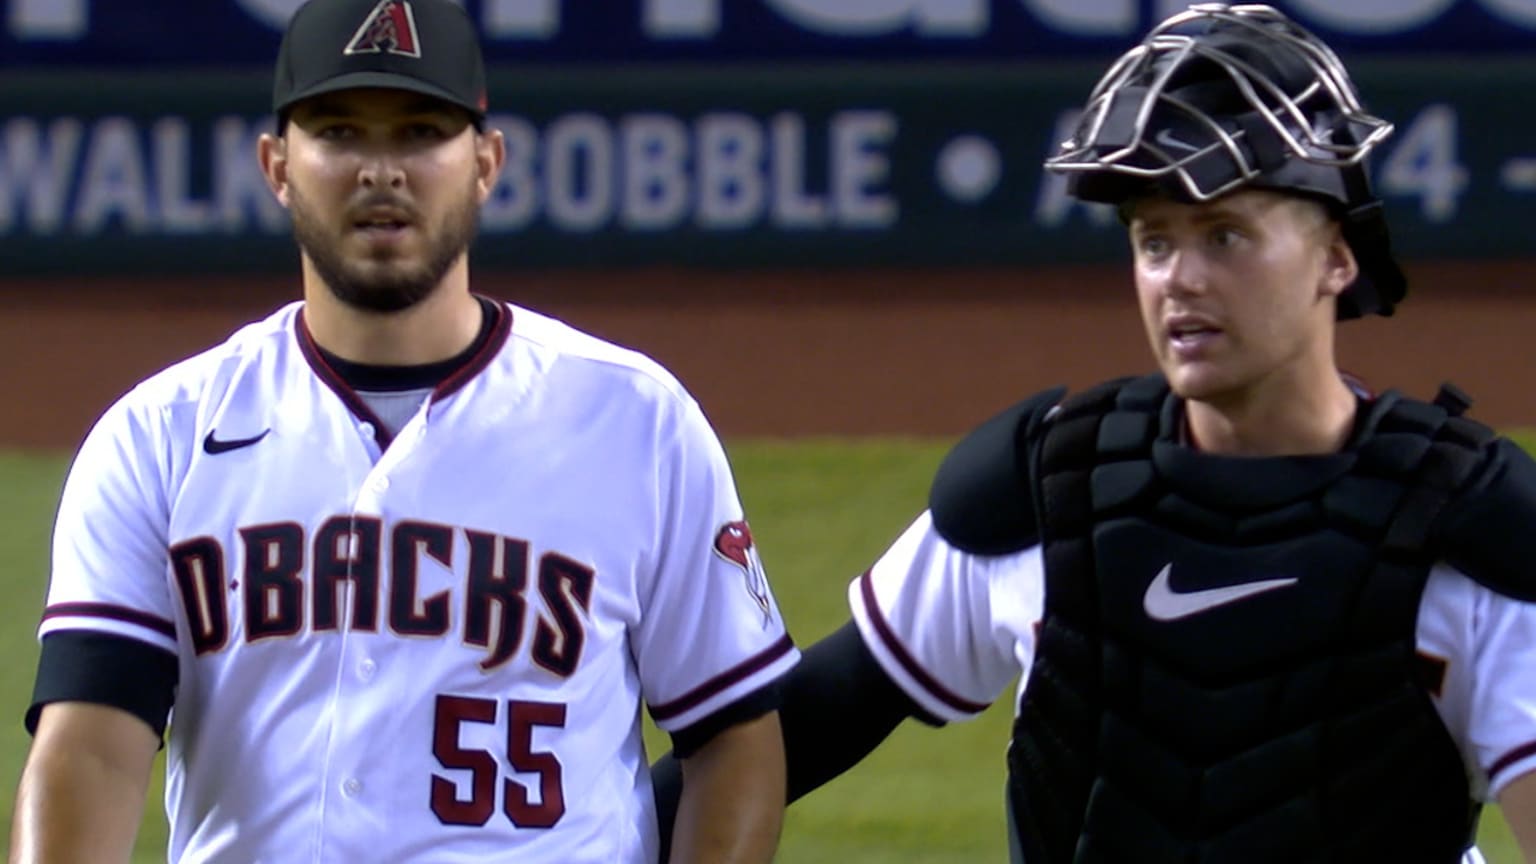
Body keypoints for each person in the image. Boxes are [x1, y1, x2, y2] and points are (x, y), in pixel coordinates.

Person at [652, 4, 1536, 862]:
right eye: (1155, 242)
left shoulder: (1471, 537)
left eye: (1226, 235)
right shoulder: (1050, 493)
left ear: (1338, 258)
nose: (1181, 278)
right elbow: (787, 731)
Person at [8, 1, 797, 862]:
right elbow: (91, 746)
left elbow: (734, 737)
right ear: (277, 166)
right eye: (340, 132)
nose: (381, 170)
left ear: (485, 164)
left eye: (420, 133)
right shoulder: (159, 436)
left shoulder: (636, 421)